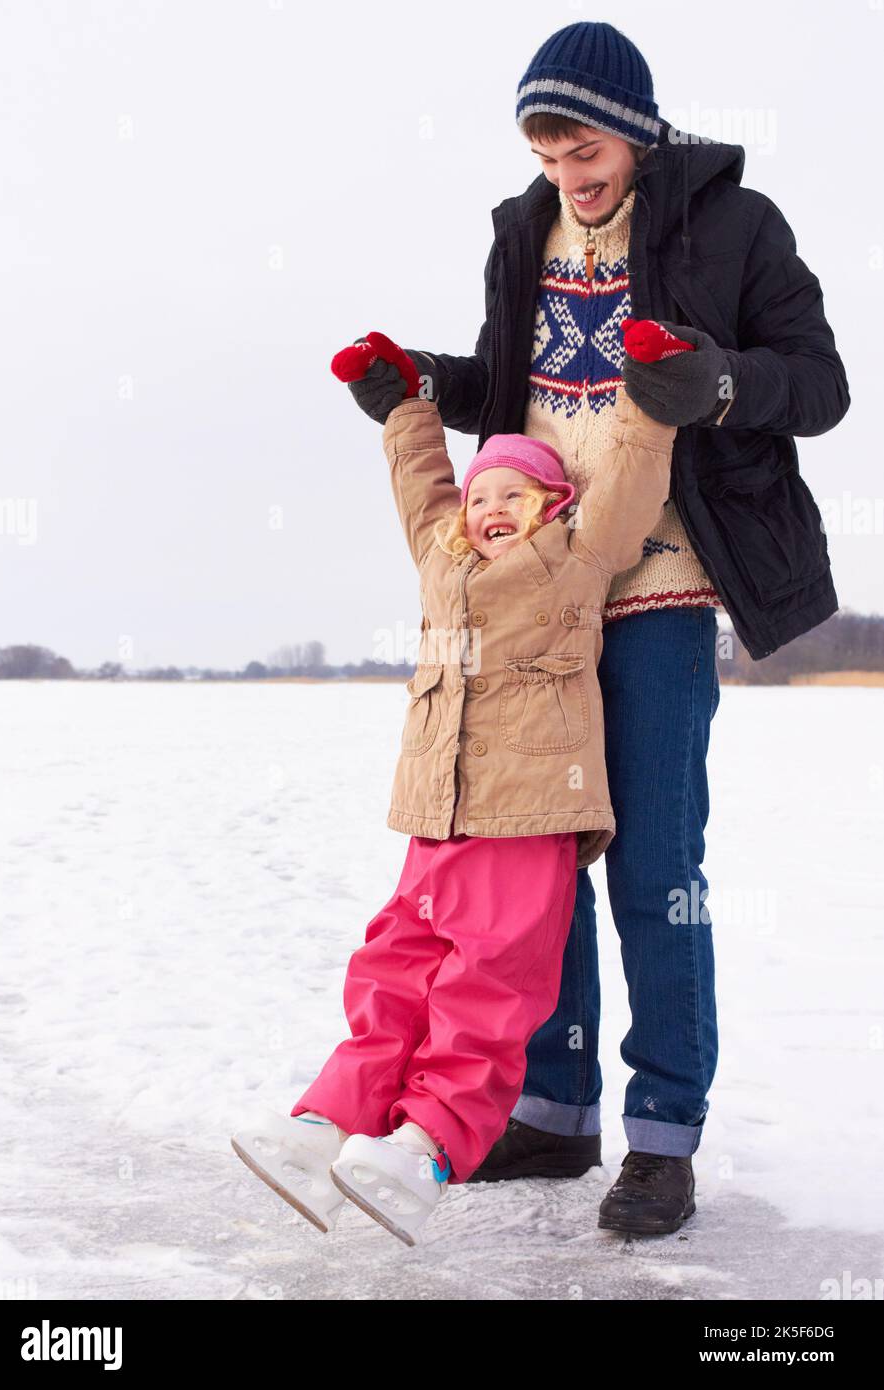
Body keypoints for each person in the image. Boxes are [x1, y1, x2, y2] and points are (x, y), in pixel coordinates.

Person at [343, 21, 850, 1235]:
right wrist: (417, 377)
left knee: (654, 867)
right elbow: (504, 385)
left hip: (664, 587)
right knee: (532, 859)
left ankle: (663, 1137)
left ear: (633, 124)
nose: (568, 172)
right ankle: (556, 1110)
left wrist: (713, 383)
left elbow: (819, 382)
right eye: (547, 150)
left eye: (582, 146)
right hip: (538, 591)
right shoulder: (522, 231)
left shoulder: (735, 222)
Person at [231, 325, 681, 1246]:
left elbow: (631, 481)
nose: (492, 508)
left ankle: (432, 1145)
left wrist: (654, 395)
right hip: (434, 816)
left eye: (515, 494)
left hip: (529, 814)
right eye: (483, 497)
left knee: (487, 983)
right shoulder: (443, 560)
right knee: (392, 967)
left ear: (553, 505)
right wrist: (404, 404)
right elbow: (423, 487)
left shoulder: (573, 560)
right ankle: (332, 1120)